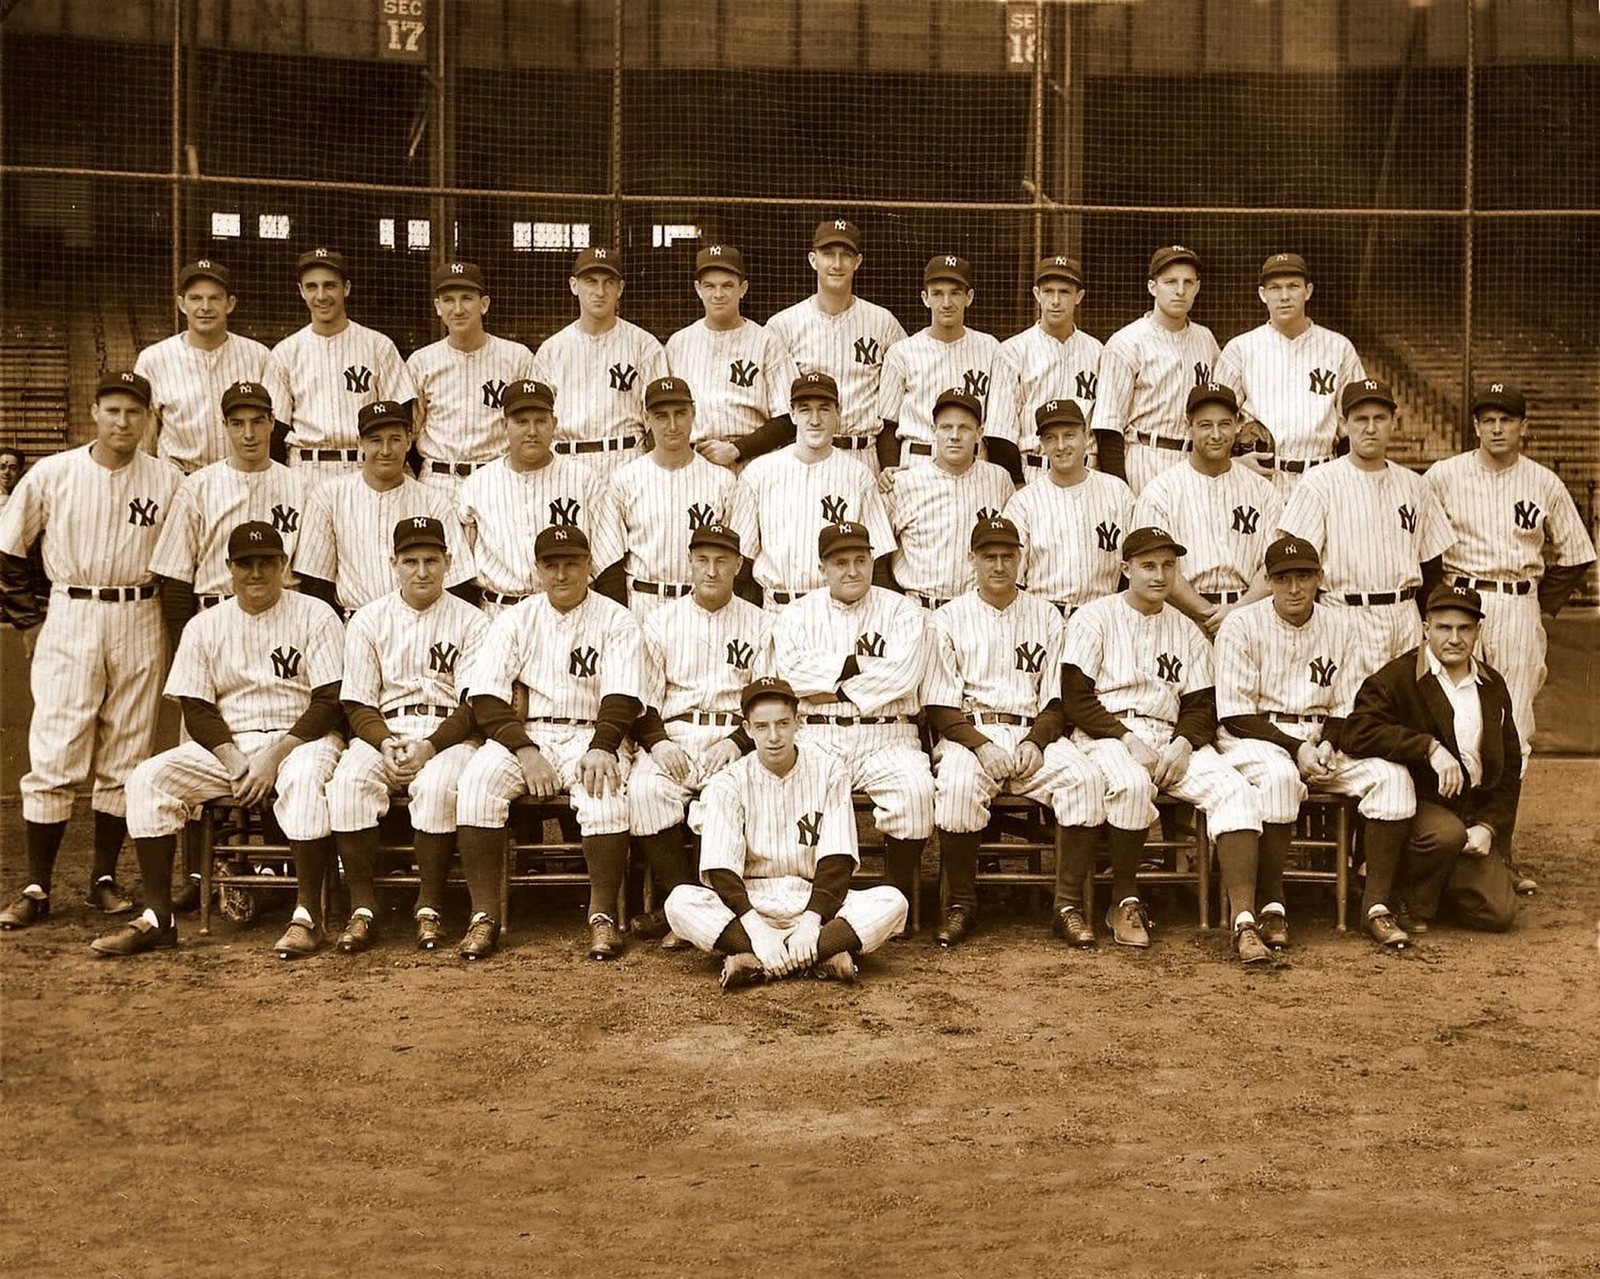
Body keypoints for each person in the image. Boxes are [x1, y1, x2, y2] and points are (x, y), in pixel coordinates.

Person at [87, 521, 344, 957]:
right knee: (148, 779)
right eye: (246, 564)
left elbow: (328, 700)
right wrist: (233, 759)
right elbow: (196, 706)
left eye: (267, 562)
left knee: (301, 782)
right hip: (232, 745)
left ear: (284, 566)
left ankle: (307, 917)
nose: (257, 573)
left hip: (302, 739)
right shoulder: (205, 626)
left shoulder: (315, 614)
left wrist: (274, 757)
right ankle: (157, 919)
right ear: (229, 568)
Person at [0, 372, 182, 931]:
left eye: (134, 412)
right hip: (72, 610)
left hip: (140, 609)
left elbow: (179, 563)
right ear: (94, 411)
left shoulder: (168, 478)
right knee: (57, 747)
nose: (123, 422)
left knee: (125, 751)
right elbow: (8, 551)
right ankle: (37, 885)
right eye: (113, 410)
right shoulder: (54, 473)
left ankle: (103, 877)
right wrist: (29, 621)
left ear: (149, 417)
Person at [1057, 527, 1267, 961]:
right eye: (1148, 566)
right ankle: (1125, 901)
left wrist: (1184, 744)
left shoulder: (1186, 630)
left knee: (1237, 793)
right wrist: (1125, 738)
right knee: (1131, 787)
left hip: (1170, 737)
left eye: (1168, 566)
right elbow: (1076, 700)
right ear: (1125, 569)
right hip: (1108, 733)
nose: (1159, 575)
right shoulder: (1093, 618)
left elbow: (1202, 704)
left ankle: (1245, 922)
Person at [1214, 536, 1418, 950]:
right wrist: (1297, 749)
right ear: (1268, 581)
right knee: (1279, 778)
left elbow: (1349, 703)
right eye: (1283, 578)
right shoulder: (1241, 623)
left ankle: (1375, 906)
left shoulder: (1342, 624)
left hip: (1322, 740)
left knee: (1394, 779)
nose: (1294, 588)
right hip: (1257, 738)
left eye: (1304, 576)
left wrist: (1328, 743)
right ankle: (1272, 905)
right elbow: (1235, 712)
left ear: (1320, 578)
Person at [453, 525, 642, 961]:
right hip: (530, 732)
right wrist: (524, 749)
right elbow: (485, 695)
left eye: (571, 563)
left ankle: (601, 916)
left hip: (591, 733)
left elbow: (623, 695)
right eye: (551, 565)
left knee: (605, 793)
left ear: (589, 566)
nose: (561, 574)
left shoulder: (616, 619)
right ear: (537, 569)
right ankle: (484, 916)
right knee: (478, 782)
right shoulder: (516, 618)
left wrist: (603, 746)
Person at [922, 516, 1107, 946]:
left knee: (1085, 779)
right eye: (989, 557)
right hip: (973, 733)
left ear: (1021, 560)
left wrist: (1036, 741)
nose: (1000, 566)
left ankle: (1066, 905)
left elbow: (1057, 700)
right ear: (973, 561)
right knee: (958, 785)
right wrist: (982, 746)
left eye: (1008, 556)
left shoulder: (1046, 615)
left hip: (1030, 733)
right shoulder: (947, 619)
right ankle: (961, 903)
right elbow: (938, 703)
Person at [663, 676, 909, 989]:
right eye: (762, 726)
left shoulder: (829, 770)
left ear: (798, 723)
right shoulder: (729, 781)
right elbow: (722, 871)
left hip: (813, 899)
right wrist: (758, 931)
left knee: (892, 901)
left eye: (782, 723)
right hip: (752, 901)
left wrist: (811, 921)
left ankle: (758, 961)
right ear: (748, 730)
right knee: (679, 902)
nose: (774, 736)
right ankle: (820, 955)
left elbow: (838, 857)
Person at [326, 516, 491, 953]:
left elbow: (475, 704)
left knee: (438, 786)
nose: (422, 571)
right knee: (347, 784)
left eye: (431, 560)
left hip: (447, 733)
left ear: (448, 562)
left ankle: (429, 905)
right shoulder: (368, 619)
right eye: (411, 560)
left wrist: (429, 747)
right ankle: (362, 908)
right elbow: (358, 701)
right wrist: (384, 742)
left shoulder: (473, 621)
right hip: (384, 728)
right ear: (393, 563)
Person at [1423, 383, 1596, 776]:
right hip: (1459, 596)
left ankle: (1497, 830)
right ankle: (1456, 825)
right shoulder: (1443, 476)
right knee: (1453, 713)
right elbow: (1423, 548)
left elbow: (1577, 554)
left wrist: (1542, 610)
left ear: (1523, 426)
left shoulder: (1543, 482)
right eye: (1488, 421)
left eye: (1506, 420)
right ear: (1476, 427)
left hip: (1516, 600)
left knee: (1513, 720)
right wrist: (1434, 602)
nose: (1497, 428)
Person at [773, 520, 934, 931]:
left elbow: (904, 677)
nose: (851, 570)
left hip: (889, 733)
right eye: (840, 562)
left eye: (860, 560)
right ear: (823, 567)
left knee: (915, 793)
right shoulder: (797, 613)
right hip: (819, 731)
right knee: (806, 800)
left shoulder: (902, 610)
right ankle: (818, 901)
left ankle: (895, 898)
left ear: (872, 561)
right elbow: (791, 676)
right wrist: (858, 667)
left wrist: (829, 683)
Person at [1342, 583, 1522, 937]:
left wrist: (1488, 826)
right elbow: (1356, 731)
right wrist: (1427, 747)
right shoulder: (1398, 677)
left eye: (1464, 628)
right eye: (1443, 628)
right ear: (1426, 628)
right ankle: (1406, 897)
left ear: (1477, 631)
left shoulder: (1492, 684)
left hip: (1469, 817)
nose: (1454, 638)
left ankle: (1437, 885)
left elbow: (1510, 768)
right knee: (1444, 835)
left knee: (1498, 913)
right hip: (1419, 810)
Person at [626, 522, 775, 945]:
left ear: (738, 566)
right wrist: (658, 743)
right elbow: (643, 698)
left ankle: (715, 908)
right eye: (703, 560)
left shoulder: (760, 623)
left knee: (725, 799)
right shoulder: (660, 622)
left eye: (722, 561)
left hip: (733, 735)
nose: (712, 570)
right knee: (644, 792)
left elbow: (767, 697)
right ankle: (679, 903)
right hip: (675, 733)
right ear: (689, 563)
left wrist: (739, 742)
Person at [1277, 378, 1453, 685]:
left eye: (1379, 418)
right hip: (1343, 615)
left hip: (1404, 617)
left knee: (1406, 719)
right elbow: (1297, 564)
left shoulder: (1416, 485)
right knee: (1349, 718)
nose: (1370, 428)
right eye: (1361, 419)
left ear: (1393, 423)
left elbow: (1432, 570)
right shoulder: (1319, 482)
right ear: (1344, 424)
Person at [457, 378, 623, 614]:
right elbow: (462, 575)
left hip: (570, 612)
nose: (532, 431)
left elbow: (609, 565)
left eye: (540, 421)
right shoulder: (476, 486)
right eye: (522, 422)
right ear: (505, 424)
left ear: (554, 423)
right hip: (498, 611)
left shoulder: (584, 480)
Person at [293, 400, 474, 617]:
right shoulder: (328, 496)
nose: (386, 450)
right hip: (354, 622)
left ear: (409, 440)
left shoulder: (434, 501)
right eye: (376, 440)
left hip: (420, 623)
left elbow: (457, 582)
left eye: (395, 439)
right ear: (360, 443)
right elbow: (316, 583)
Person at [732, 371, 894, 611]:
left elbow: (878, 561)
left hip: (837, 611)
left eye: (825, 409)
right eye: (805, 409)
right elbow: (742, 562)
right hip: (777, 609)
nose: (815, 419)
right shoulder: (758, 473)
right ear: (793, 414)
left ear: (838, 413)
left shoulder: (859, 476)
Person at [1132, 382, 1281, 637]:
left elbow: (1273, 564)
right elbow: (1161, 570)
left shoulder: (1263, 491)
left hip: (1252, 616)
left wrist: (1237, 611)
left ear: (1237, 424)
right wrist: (1208, 614)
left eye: (1224, 424)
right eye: (1205, 425)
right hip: (1181, 620)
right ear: (1188, 426)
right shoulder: (1161, 492)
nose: (1216, 434)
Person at [148, 380, 306, 617]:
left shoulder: (301, 486)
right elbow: (176, 582)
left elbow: (313, 578)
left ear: (272, 422)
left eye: (257, 422)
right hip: (215, 614)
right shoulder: (197, 488)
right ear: (225, 425)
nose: (249, 434)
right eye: (237, 424)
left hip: (285, 615)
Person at [1213, 253, 1365, 495]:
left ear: (1308, 290)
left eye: (1293, 286)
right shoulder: (1240, 349)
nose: (1284, 296)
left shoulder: (1339, 348)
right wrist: (1231, 464)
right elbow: (1215, 421)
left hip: (1322, 476)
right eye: (1275, 288)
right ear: (1263, 294)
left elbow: (1356, 422)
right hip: (1260, 477)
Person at [261, 247, 415, 485]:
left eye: (330, 285)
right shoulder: (285, 352)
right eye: (312, 287)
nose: (321, 296)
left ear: (346, 288)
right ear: (301, 291)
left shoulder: (378, 346)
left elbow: (402, 416)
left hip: (364, 467)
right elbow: (275, 429)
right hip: (305, 469)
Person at [765, 219, 907, 467]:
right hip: (806, 456)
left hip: (864, 452)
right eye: (828, 254)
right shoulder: (783, 325)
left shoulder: (883, 322)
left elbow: (905, 389)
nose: (837, 264)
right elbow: (778, 411)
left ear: (858, 262)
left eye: (846, 255)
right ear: (813, 259)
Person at [609, 376, 752, 619]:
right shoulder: (625, 479)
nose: (672, 425)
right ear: (647, 419)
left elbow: (742, 559)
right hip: (644, 602)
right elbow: (610, 561)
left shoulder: (723, 481)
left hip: (704, 605)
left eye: (680, 413)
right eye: (662, 415)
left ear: (693, 413)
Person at [530, 246, 667, 477]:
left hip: (627, 459)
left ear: (620, 288)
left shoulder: (644, 345)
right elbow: (537, 419)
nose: (600, 291)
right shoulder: (552, 350)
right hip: (566, 461)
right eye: (591, 281)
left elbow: (659, 416)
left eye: (609, 282)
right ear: (574, 286)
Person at [1094, 245, 1220, 495]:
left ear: (1197, 287)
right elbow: (1108, 426)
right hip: (1145, 457)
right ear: (1153, 287)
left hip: (1194, 460)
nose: (1180, 290)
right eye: (1170, 282)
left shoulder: (1205, 340)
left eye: (1188, 282)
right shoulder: (1126, 342)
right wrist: (1118, 488)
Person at [664, 244, 799, 469]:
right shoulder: (678, 344)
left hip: (754, 462)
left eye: (727, 286)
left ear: (743, 288)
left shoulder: (766, 342)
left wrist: (737, 449)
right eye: (710, 286)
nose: (718, 294)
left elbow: (788, 419)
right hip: (696, 461)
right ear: (698, 288)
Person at [876, 255, 1009, 480]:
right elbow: (887, 425)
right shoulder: (902, 352)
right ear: (925, 298)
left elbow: (998, 427)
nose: (946, 303)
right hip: (916, 462)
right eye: (937, 293)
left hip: (974, 466)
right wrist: (889, 467)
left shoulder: (991, 349)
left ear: (969, 297)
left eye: (955, 293)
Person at [406, 261, 534, 494]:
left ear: (483, 304)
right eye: (448, 300)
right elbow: (409, 431)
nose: (457, 309)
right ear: (437, 306)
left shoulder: (517, 358)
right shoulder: (421, 362)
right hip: (438, 480)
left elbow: (530, 425)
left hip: (498, 477)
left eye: (466, 298)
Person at [134, 259, 272, 474]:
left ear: (230, 304)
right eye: (195, 298)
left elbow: (270, 428)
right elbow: (144, 440)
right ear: (181, 304)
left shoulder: (258, 356)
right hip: (179, 480)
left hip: (241, 480)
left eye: (214, 298)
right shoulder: (153, 359)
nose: (205, 307)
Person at [1001, 399, 1134, 617]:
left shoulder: (1118, 493)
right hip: (1042, 617)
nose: (1061, 446)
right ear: (1042, 444)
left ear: (1086, 436)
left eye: (1069, 435)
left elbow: (1136, 567)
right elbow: (1013, 581)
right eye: (1051, 438)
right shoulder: (1023, 503)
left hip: (1103, 617)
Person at [886, 388, 1015, 610]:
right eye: (946, 427)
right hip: (920, 607)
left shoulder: (999, 480)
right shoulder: (905, 483)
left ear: (979, 433)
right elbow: (878, 553)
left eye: (964, 428)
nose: (954, 435)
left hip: (977, 610)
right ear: (933, 430)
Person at [986, 254, 1106, 482]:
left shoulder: (1097, 351)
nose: (1056, 300)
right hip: (1033, 470)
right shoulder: (1012, 351)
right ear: (1036, 294)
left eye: (1065, 292)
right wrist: (1018, 484)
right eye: (1048, 291)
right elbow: (1000, 432)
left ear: (1079, 296)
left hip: (1088, 473)